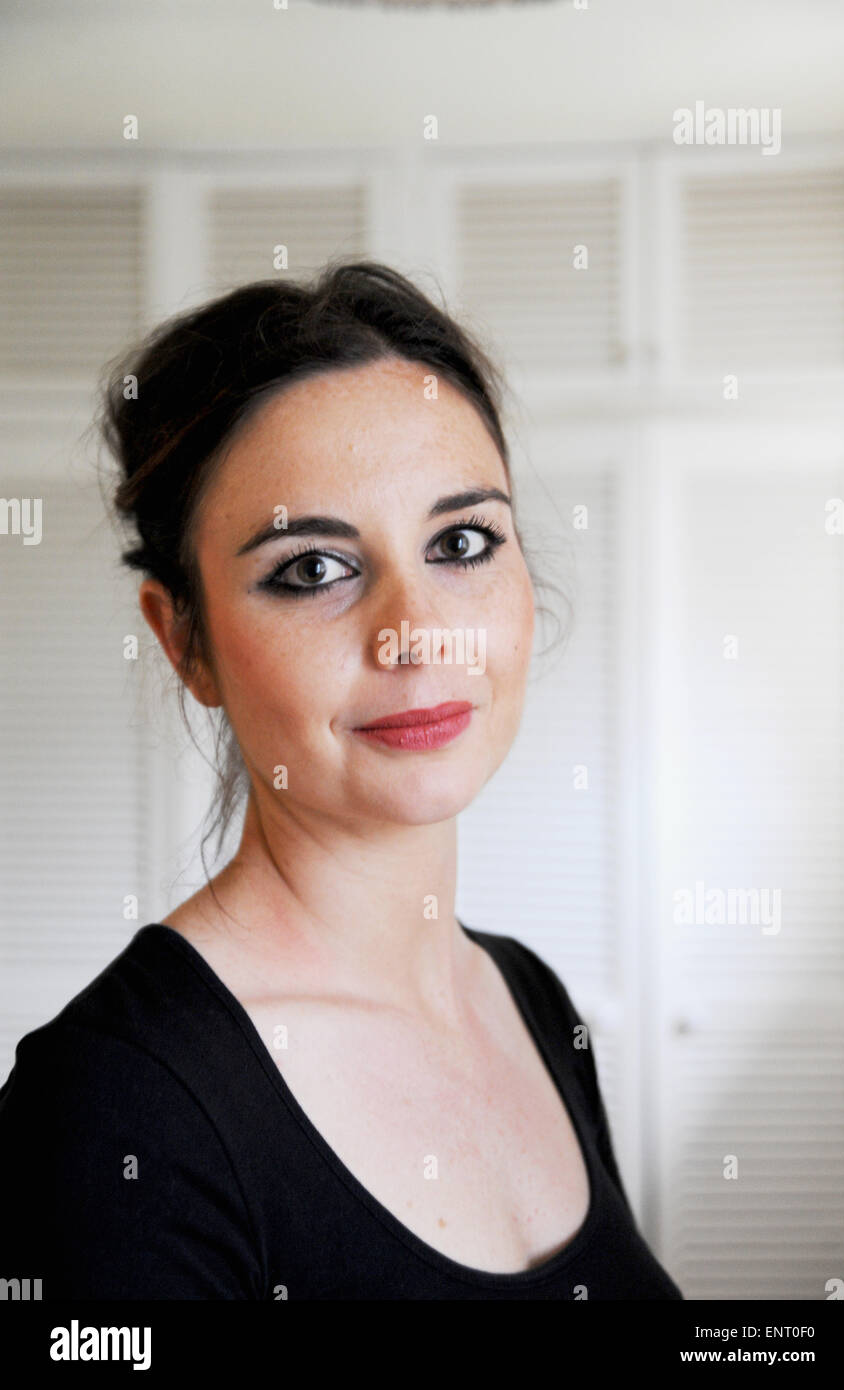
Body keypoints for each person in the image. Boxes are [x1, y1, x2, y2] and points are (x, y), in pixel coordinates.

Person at [0, 261, 682, 1300]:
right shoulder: (111, 1108)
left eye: (460, 542)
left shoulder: (530, 998)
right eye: (313, 568)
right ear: (182, 639)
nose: (414, 630)